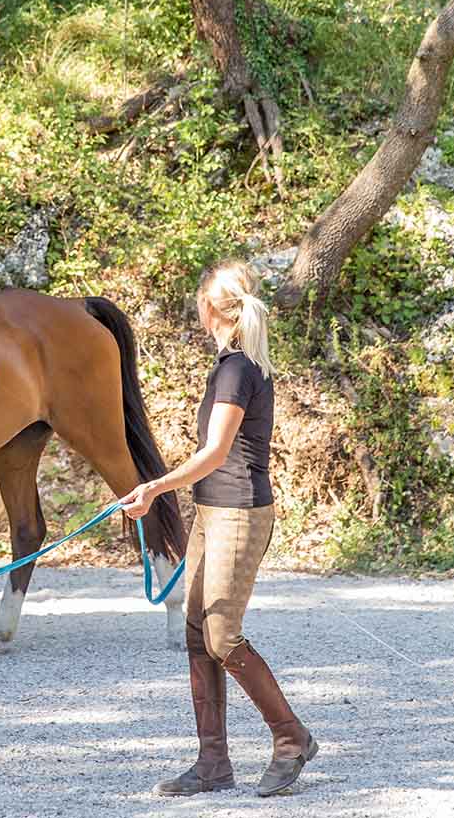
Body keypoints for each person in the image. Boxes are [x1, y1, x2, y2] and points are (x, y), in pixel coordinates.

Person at [120, 260, 318, 798]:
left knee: (222, 636)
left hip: (239, 512)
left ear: (211, 308)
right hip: (213, 510)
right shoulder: (235, 363)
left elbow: (214, 453)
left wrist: (154, 489)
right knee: (195, 634)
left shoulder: (236, 369)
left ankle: (291, 738)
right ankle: (212, 764)